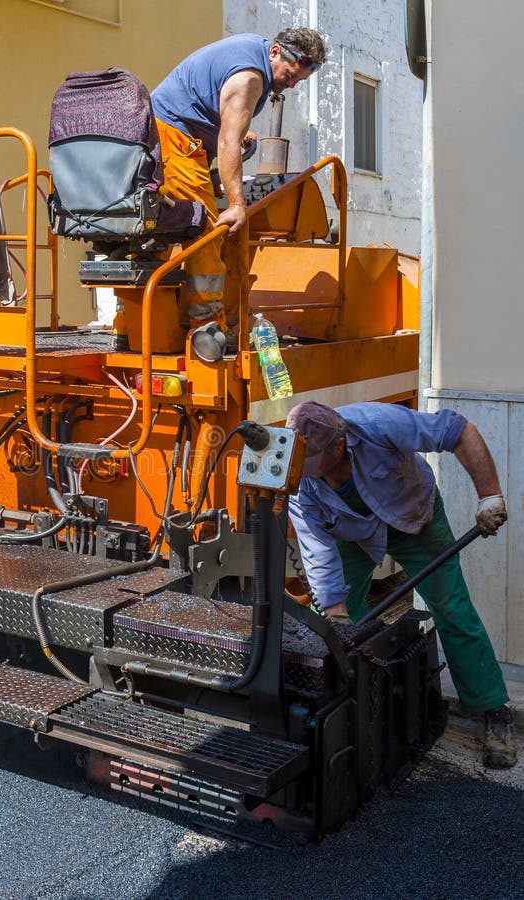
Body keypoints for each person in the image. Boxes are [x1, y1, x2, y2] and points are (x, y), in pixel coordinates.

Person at [285, 400, 516, 769]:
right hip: (354, 534)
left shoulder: (378, 423)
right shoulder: (297, 474)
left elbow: (458, 431)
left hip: (415, 517)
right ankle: (354, 705)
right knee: (333, 625)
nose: (306, 473)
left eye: (313, 463)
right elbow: (316, 549)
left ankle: (494, 710)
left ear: (338, 445)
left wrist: (490, 495)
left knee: (452, 608)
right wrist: (335, 613)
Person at [150, 28, 326, 328]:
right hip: (174, 140)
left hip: (173, 137)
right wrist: (236, 204)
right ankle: (206, 325)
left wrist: (241, 135)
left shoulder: (251, 50)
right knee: (207, 229)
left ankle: (154, 320)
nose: (293, 84)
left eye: (300, 80)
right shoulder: (250, 79)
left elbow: (225, 121)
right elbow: (227, 142)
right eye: (291, 74)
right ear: (275, 53)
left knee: (164, 234)